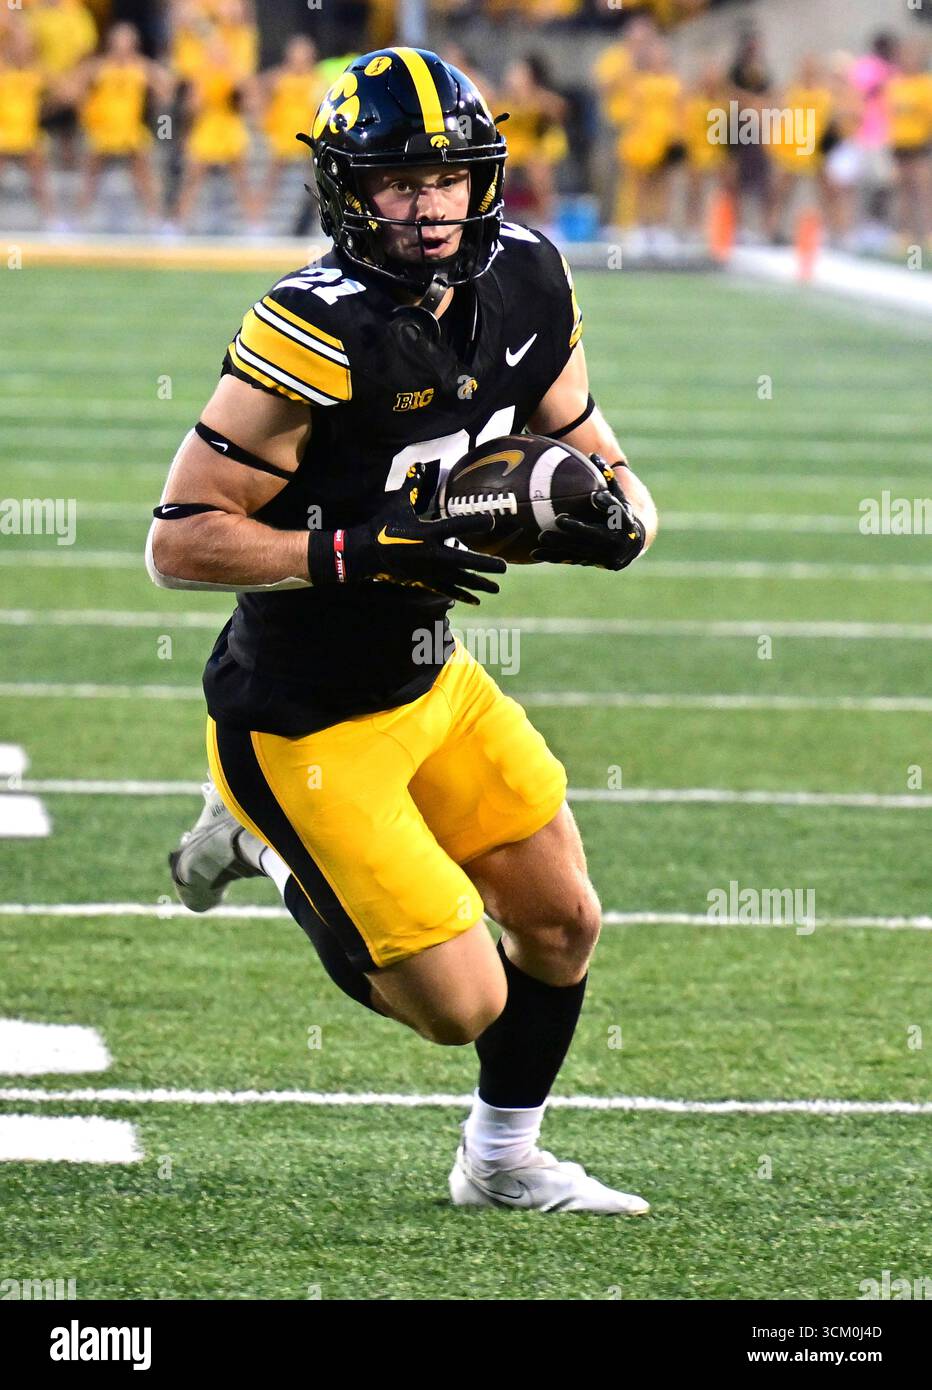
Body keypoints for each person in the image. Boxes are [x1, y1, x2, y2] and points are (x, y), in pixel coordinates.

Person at [146, 48, 658, 1215]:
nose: (423, 207)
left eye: (443, 177)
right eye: (393, 182)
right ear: (346, 191)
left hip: (430, 676)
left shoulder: (527, 273)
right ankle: (256, 839)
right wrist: (352, 548)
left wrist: (617, 518)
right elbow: (178, 540)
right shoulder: (309, 329)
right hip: (300, 714)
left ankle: (500, 1158)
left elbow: (593, 445)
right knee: (458, 1004)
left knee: (562, 918)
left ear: (482, 176)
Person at [75, 22, 172, 227]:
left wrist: (164, 126)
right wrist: (86, 114)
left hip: (130, 128)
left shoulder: (141, 67)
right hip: (104, 129)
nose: (122, 47)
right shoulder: (99, 66)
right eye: (118, 41)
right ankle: (81, 217)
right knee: (91, 173)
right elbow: (73, 88)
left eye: (126, 42)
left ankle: (154, 218)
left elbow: (165, 87)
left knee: (143, 172)